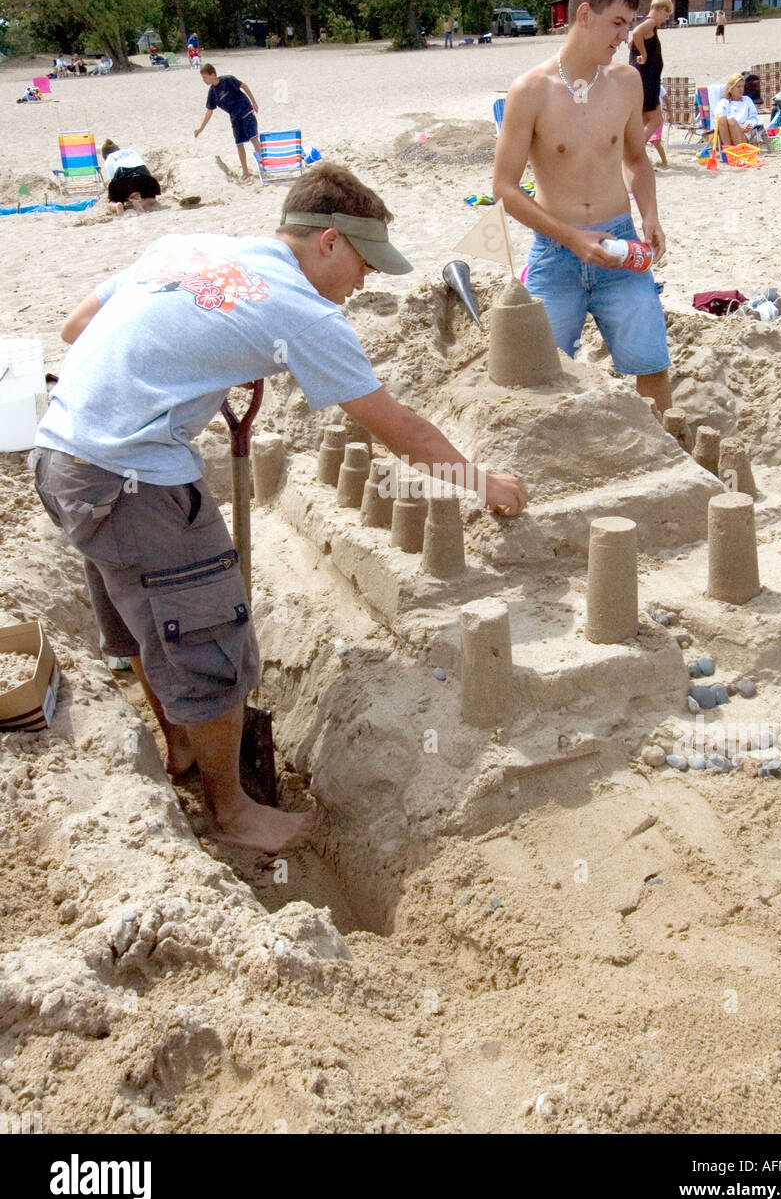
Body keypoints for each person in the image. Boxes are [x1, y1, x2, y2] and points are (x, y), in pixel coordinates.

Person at [31, 162, 527, 852]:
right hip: (135, 482)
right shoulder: (303, 312)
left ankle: (181, 748)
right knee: (210, 638)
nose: (363, 283)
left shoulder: (187, 246)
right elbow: (400, 430)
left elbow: (75, 327)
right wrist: (483, 483)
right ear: (328, 241)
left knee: (145, 618)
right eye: (363, 264)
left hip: (61, 456)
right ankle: (232, 812)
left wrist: (190, 367)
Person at [493, 0, 671, 412]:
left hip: (620, 247)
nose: (625, 36)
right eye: (618, 23)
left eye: (630, 25)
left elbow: (636, 159)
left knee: (651, 365)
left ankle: (667, 448)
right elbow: (504, 190)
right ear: (585, 15)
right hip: (556, 254)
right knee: (537, 379)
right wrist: (572, 238)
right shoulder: (530, 90)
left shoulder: (626, 82)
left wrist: (649, 216)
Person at [195, 65, 261, 179]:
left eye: (205, 77)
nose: (203, 80)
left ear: (212, 74)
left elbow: (244, 86)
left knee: (254, 139)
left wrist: (254, 103)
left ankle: (263, 165)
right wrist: (200, 129)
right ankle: (245, 172)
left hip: (246, 111)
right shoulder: (212, 92)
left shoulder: (228, 79)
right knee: (239, 144)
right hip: (234, 117)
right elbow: (209, 111)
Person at [628, 0, 672, 150]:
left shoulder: (645, 22)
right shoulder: (651, 22)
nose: (665, 18)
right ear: (661, 9)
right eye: (666, 14)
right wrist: (644, 54)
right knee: (655, 120)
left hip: (644, 79)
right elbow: (636, 33)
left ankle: (635, 151)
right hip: (647, 79)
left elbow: (631, 43)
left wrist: (639, 50)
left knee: (646, 120)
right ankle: (635, 150)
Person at [101, 139, 162, 216]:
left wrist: (125, 195)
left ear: (105, 156)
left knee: (113, 201)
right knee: (151, 199)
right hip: (143, 176)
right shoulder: (131, 151)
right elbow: (145, 170)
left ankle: (117, 206)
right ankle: (141, 204)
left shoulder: (110, 158)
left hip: (123, 176)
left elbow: (113, 181)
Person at [715, 74, 759, 148]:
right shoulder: (724, 103)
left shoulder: (747, 100)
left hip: (744, 134)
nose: (741, 89)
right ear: (731, 88)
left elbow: (753, 117)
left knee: (731, 120)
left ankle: (737, 149)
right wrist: (739, 126)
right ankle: (729, 149)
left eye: (742, 86)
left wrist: (747, 124)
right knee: (722, 119)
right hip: (727, 135)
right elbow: (718, 120)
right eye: (738, 87)